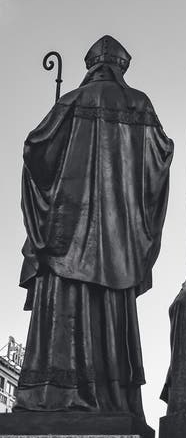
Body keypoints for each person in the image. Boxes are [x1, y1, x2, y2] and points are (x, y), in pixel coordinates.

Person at [15, 35, 174, 417]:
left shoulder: (71, 101)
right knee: (109, 310)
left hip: (66, 235)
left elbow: (34, 150)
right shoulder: (141, 105)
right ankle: (108, 396)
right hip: (117, 243)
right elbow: (160, 158)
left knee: (64, 312)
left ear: (91, 66)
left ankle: (57, 393)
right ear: (121, 67)